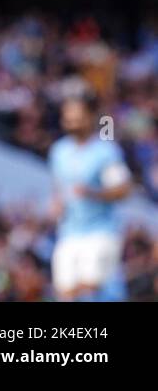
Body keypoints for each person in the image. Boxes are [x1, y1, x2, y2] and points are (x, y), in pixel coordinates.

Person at [49, 95, 132, 300]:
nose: (72, 122)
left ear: (90, 117)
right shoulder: (59, 151)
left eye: (77, 117)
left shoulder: (105, 152)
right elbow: (59, 188)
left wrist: (92, 193)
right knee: (64, 291)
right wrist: (57, 205)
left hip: (100, 231)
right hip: (69, 231)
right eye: (68, 117)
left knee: (90, 288)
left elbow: (123, 190)